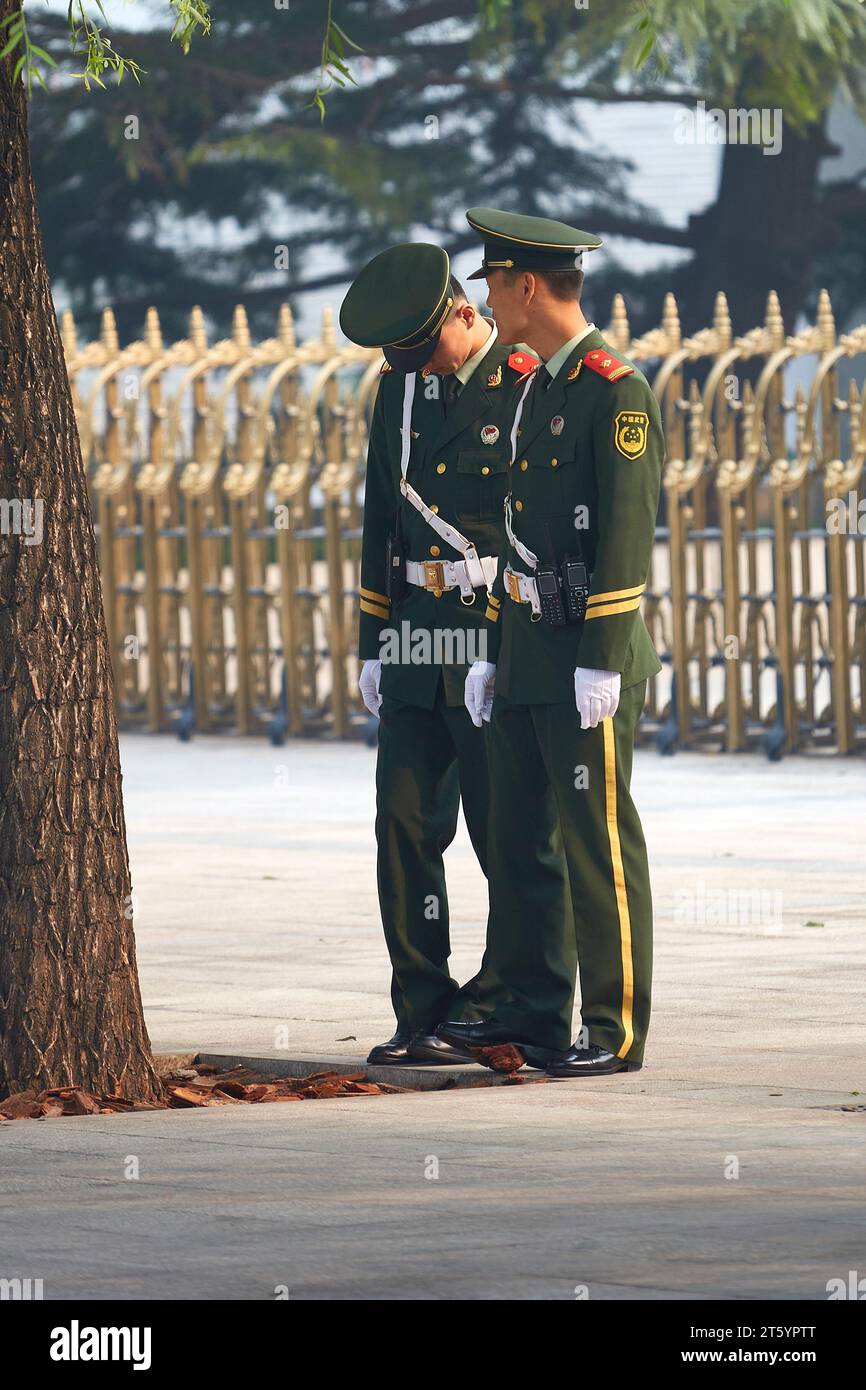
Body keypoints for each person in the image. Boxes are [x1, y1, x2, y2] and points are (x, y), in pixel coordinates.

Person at [437, 208, 663, 1077]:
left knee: (596, 843)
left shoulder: (615, 389)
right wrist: (497, 642)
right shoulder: (535, 382)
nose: (486, 296)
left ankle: (614, 1030)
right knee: (522, 838)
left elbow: (624, 535)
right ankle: (536, 1012)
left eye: (493, 281)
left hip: (584, 659)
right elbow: (512, 526)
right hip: (528, 647)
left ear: (527, 286)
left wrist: (603, 657)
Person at [340, 242, 542, 1065]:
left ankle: (504, 1001)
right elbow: (381, 519)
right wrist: (374, 640)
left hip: (492, 633)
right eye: (406, 357)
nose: (420, 366)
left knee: (505, 833)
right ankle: (421, 1009)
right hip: (419, 635)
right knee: (403, 825)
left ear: (467, 313)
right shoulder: (399, 392)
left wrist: (518, 645)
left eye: (428, 348)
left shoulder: (526, 382)